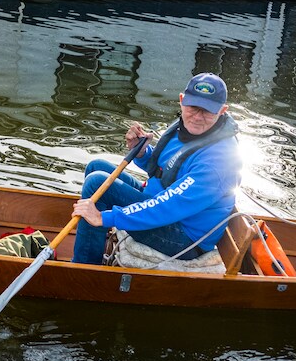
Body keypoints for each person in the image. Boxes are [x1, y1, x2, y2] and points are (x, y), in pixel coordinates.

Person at [71, 72, 242, 265]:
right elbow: (168, 170)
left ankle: (84, 268)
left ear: (222, 110)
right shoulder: (188, 130)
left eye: (207, 111)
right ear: (182, 100)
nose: (197, 117)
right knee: (97, 166)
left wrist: (106, 218)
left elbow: (169, 206)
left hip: (184, 238)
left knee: (97, 183)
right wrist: (143, 152)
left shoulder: (220, 160)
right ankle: (93, 246)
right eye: (193, 107)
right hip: (164, 206)